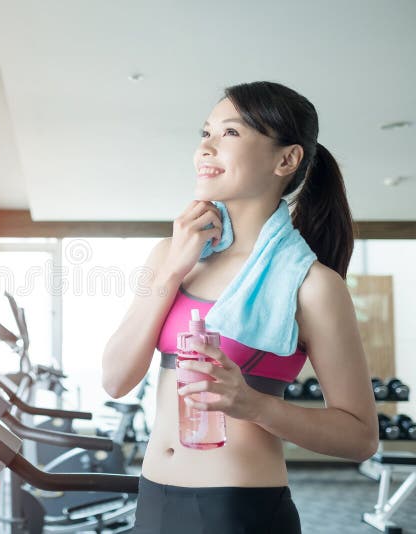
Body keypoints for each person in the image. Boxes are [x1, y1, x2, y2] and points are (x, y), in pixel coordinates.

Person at [101, 81, 379, 533]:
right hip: (151, 500)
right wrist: (172, 271)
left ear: (286, 159)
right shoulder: (169, 256)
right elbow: (115, 378)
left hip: (239, 512)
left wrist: (253, 405)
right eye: (204, 132)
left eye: (229, 134)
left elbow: (361, 437)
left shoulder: (313, 286)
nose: (205, 147)